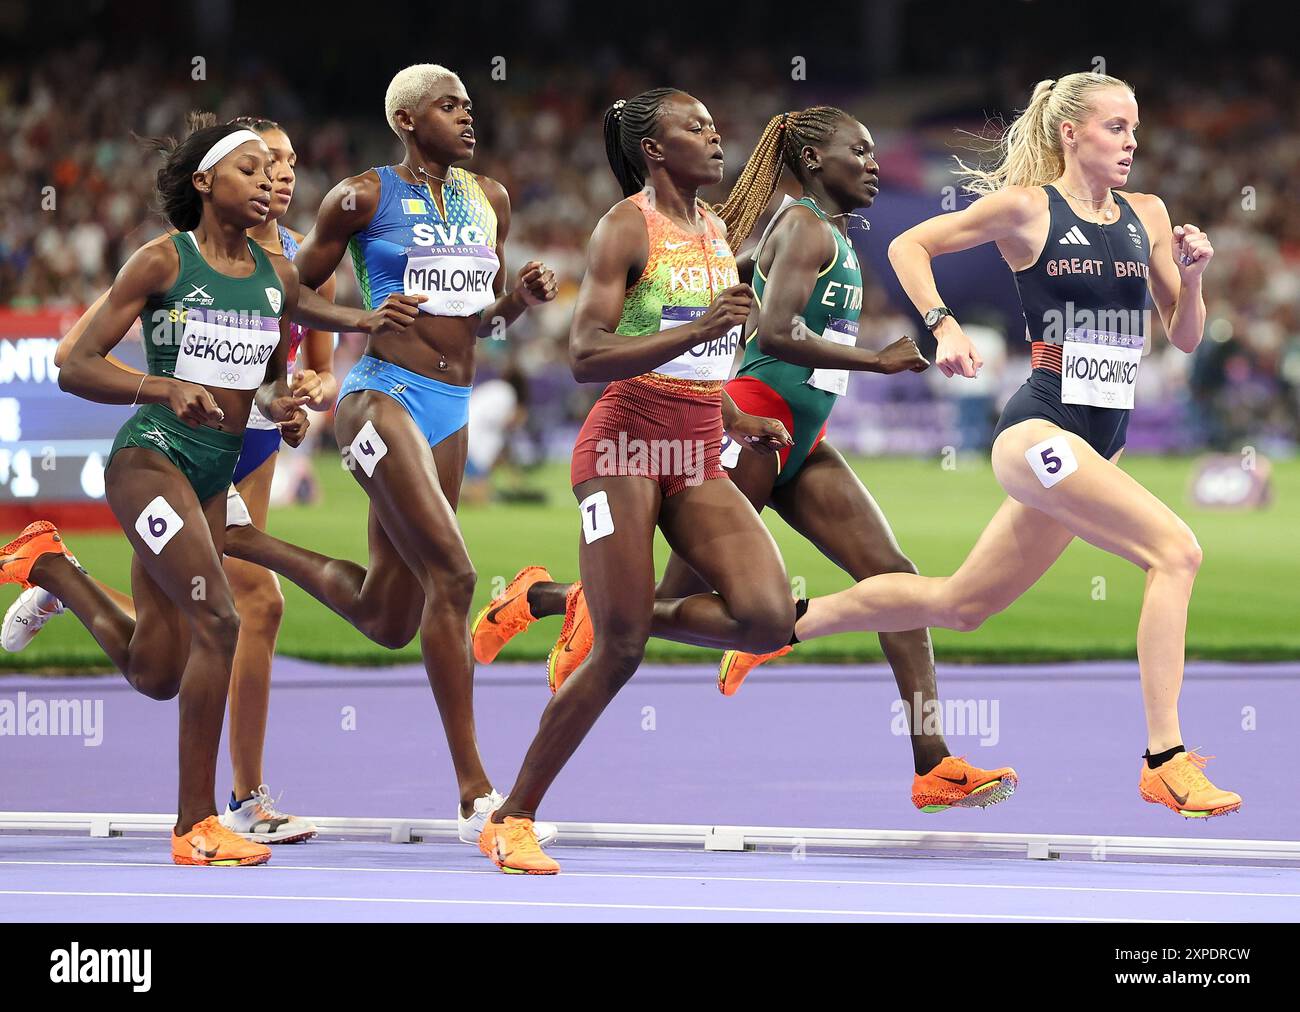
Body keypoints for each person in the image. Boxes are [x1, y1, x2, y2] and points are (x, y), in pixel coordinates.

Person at [476, 105, 1018, 814]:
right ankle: (553, 600)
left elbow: (731, 309)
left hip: (790, 435)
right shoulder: (798, 225)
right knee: (651, 610)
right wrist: (874, 361)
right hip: (731, 425)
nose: (876, 162)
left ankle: (933, 762)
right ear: (817, 161)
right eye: (860, 150)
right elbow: (776, 332)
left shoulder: (827, 235)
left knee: (896, 582)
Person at [779, 73, 1239, 818]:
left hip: (1099, 445)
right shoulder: (1029, 208)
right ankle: (1166, 757)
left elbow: (1184, 338)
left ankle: (784, 624)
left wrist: (1192, 278)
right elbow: (909, 245)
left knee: (963, 605)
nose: (1131, 142)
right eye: (1115, 127)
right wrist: (943, 325)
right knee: (1176, 552)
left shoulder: (1148, 215)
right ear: (1070, 133)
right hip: (1039, 432)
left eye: (1134, 128)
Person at [6, 114, 416, 844]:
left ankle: (48, 565)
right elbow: (73, 364)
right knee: (222, 616)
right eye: (253, 170)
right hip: (150, 462)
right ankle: (198, 822)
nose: (271, 183)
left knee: (155, 670)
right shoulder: (162, 262)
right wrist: (158, 389)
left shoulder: (275, 275)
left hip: (209, 473)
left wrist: (284, 406)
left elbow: (272, 372)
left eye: (276, 171)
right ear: (204, 182)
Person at [212, 64, 562, 845]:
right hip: (381, 398)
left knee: (387, 615)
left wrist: (520, 301)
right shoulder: (361, 197)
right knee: (459, 575)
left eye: (470, 104)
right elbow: (288, 295)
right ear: (407, 119)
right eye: (450, 105)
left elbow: (480, 325)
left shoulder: (490, 200)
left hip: (451, 408)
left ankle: (239, 537)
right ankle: (478, 795)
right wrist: (352, 326)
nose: (468, 117)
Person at [476, 88, 804, 875]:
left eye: (712, 122)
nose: (713, 134)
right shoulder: (626, 226)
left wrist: (733, 416)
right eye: (694, 126)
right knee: (619, 651)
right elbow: (586, 355)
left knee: (765, 620)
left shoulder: (717, 227)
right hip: (623, 446)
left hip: (693, 450)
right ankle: (513, 818)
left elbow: (696, 358)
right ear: (654, 149)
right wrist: (702, 327)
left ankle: (553, 599)